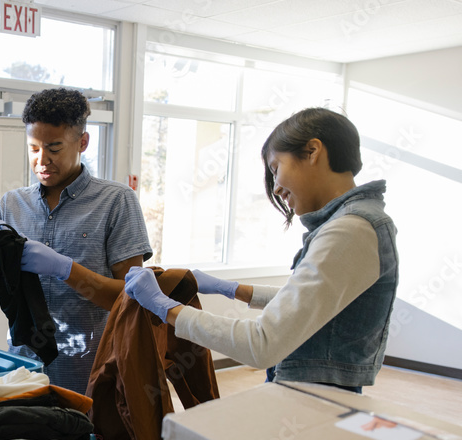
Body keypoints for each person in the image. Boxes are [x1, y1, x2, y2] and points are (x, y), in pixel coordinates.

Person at [124, 107, 398, 393]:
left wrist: (164, 307)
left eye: (276, 169)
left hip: (313, 399)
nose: (277, 188)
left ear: (313, 151)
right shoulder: (355, 223)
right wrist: (231, 289)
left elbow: (261, 344)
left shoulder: (350, 230)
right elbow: (307, 302)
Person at [0, 88, 152, 396]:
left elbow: (131, 300)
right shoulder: (12, 204)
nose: (42, 161)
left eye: (54, 148)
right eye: (33, 148)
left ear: (82, 142)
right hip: (23, 373)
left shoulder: (116, 201)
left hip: (91, 374)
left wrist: (64, 269)